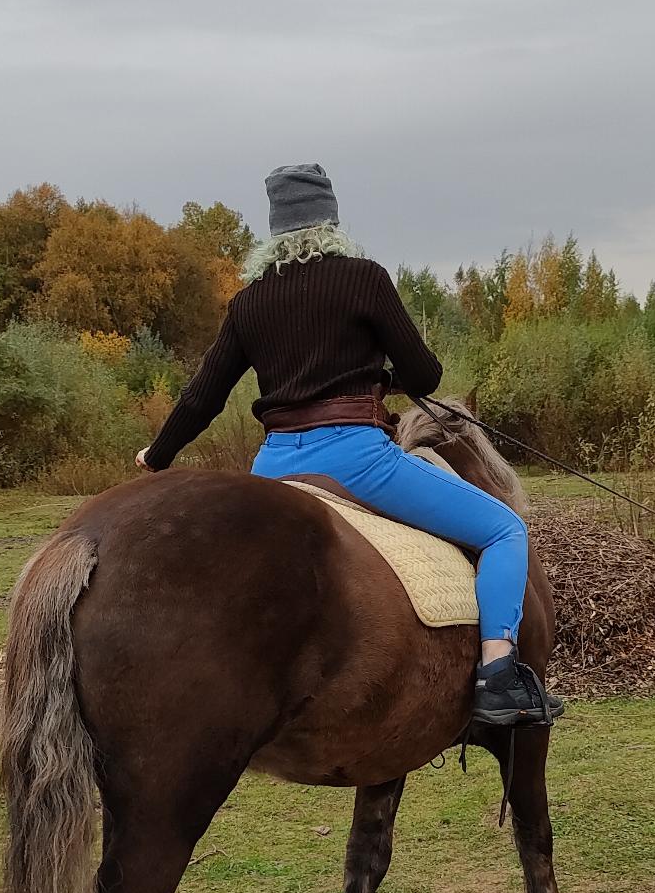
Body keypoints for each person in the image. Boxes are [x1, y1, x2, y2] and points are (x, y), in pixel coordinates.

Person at [138, 163, 562, 728]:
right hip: (358, 460)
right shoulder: (363, 278)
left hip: (274, 466)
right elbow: (424, 375)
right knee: (504, 529)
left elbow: (202, 398)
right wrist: (382, 371)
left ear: (275, 229)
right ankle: (498, 675)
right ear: (331, 220)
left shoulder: (249, 303)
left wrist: (157, 456)